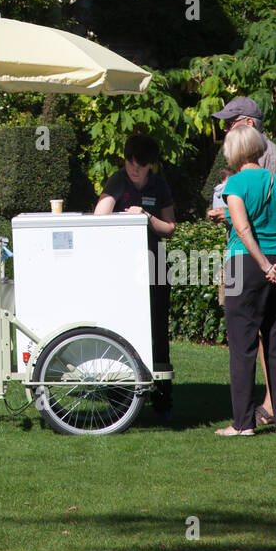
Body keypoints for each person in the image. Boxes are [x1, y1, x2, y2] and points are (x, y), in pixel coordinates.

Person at [207, 98, 276, 426]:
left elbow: (271, 212)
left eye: (230, 123)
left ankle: (263, 411)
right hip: (254, 256)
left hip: (256, 259)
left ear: (248, 123)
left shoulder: (267, 156)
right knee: (261, 335)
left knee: (257, 336)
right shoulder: (253, 159)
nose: (226, 130)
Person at [93, 133, 176, 423]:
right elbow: (99, 215)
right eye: (129, 162)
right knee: (120, 330)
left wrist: (146, 217)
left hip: (154, 265)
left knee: (156, 333)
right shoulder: (117, 181)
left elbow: (170, 227)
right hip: (122, 269)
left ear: (151, 164)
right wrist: (122, 216)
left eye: (139, 164)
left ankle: (163, 401)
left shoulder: (159, 184)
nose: (133, 169)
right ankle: (119, 400)